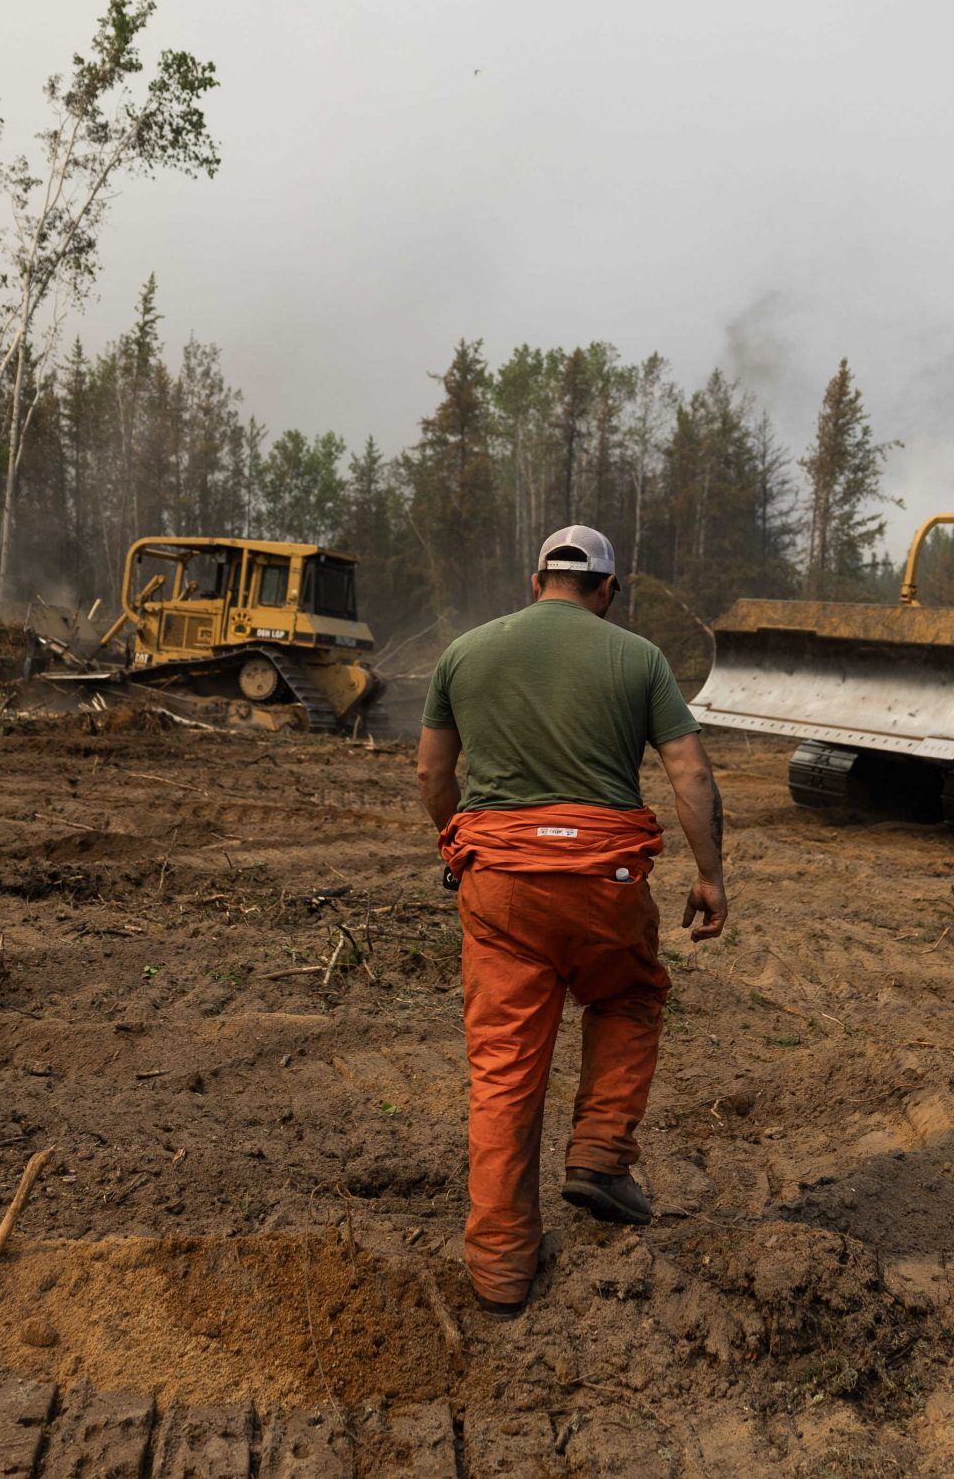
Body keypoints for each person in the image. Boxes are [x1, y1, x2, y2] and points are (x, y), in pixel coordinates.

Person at [415, 525, 729, 1316]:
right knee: (628, 994)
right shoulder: (639, 658)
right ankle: (598, 1153)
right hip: (604, 881)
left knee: (504, 1073)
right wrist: (711, 874)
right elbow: (688, 769)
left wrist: (458, 843)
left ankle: (500, 1271)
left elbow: (431, 770)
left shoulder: (466, 652)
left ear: (535, 581)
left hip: (502, 891)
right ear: (607, 590)